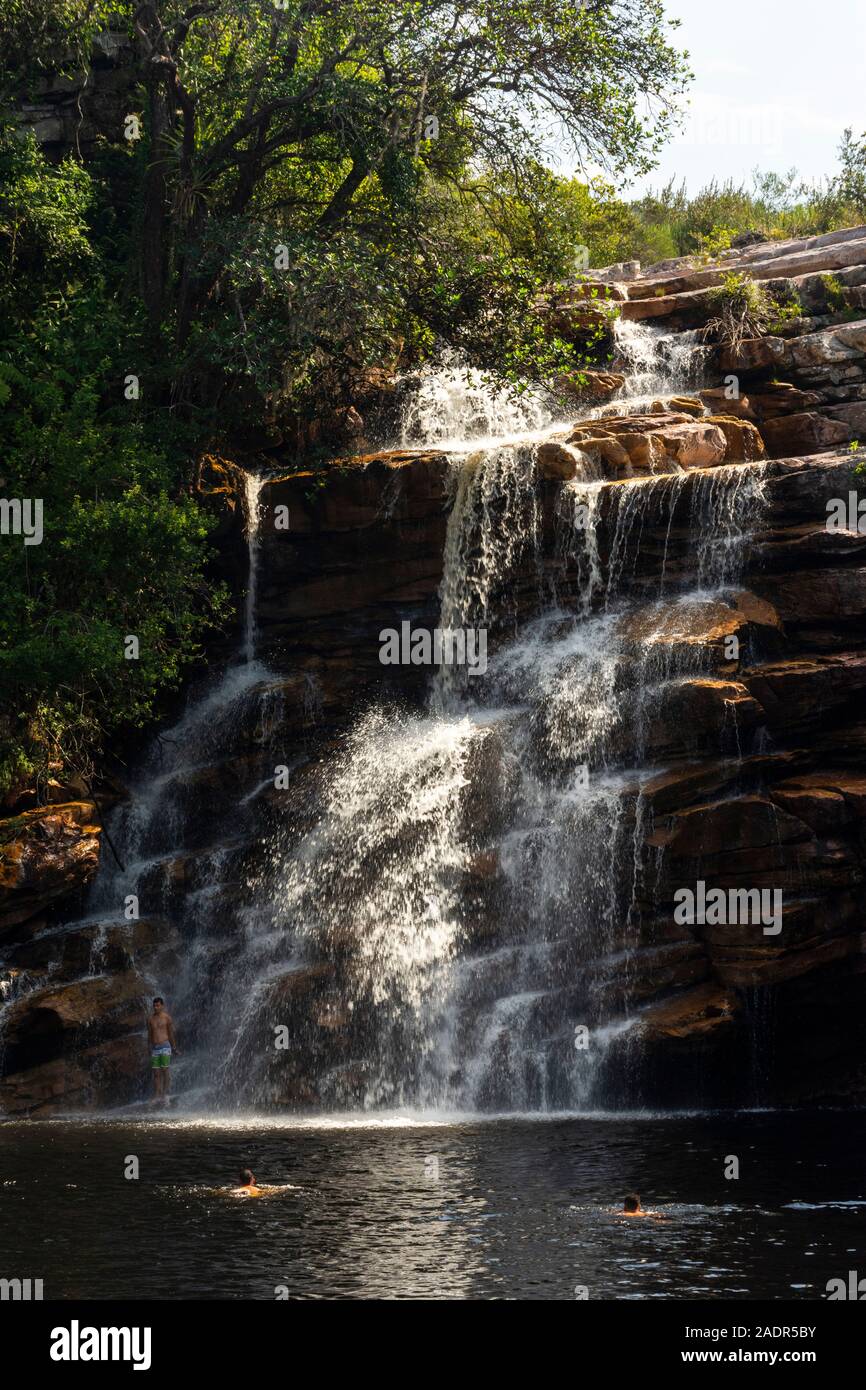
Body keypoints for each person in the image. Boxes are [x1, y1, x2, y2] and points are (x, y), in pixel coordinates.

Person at [147, 997, 179, 1104]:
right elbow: (149, 1035)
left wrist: (174, 1047)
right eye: (154, 1006)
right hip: (155, 1048)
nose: (156, 1008)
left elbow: (171, 1034)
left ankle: (166, 1093)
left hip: (165, 1046)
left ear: (162, 1006)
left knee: (165, 1070)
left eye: (158, 1005)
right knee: (156, 1073)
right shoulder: (150, 1019)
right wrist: (149, 1047)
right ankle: (157, 1094)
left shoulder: (167, 1018)